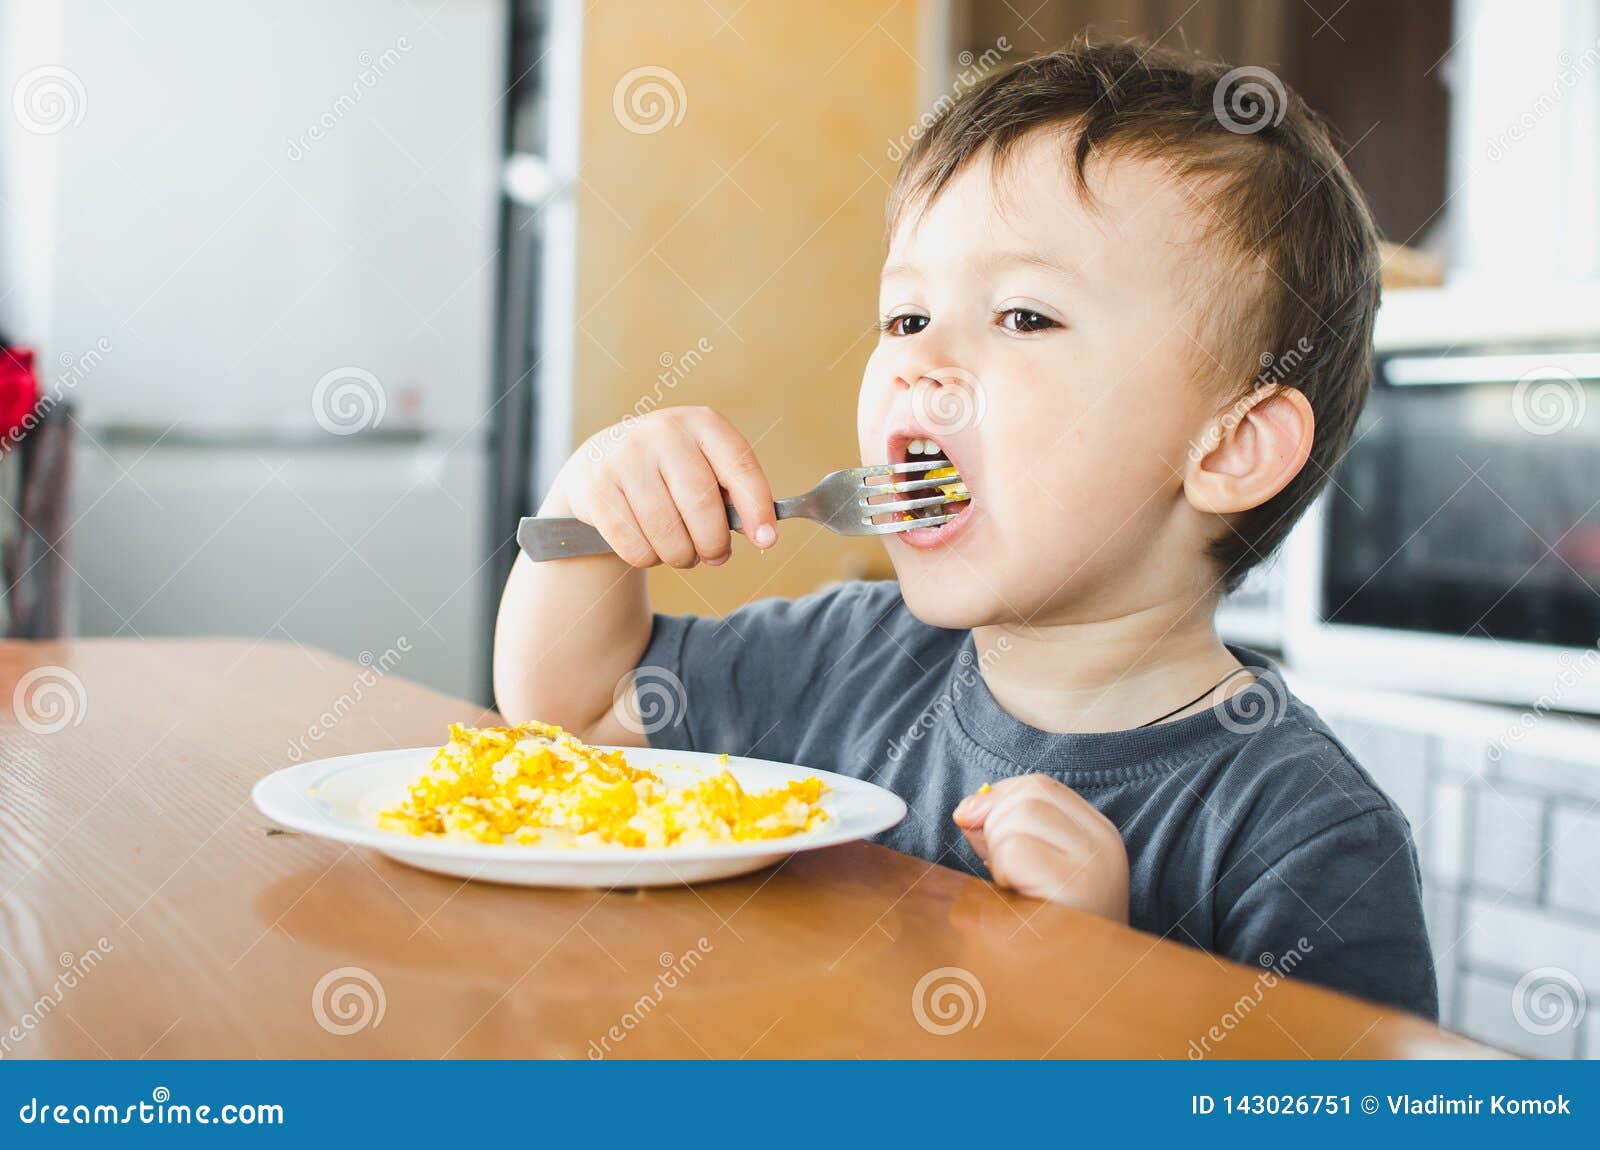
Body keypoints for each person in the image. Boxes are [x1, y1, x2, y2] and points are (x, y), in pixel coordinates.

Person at [494, 38, 1437, 1019]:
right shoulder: (845, 656)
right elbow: (575, 718)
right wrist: (588, 506)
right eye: (904, 317)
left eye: (1023, 316)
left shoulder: (1307, 838)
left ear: (1230, 446)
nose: (916, 361)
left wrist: (1102, 997)